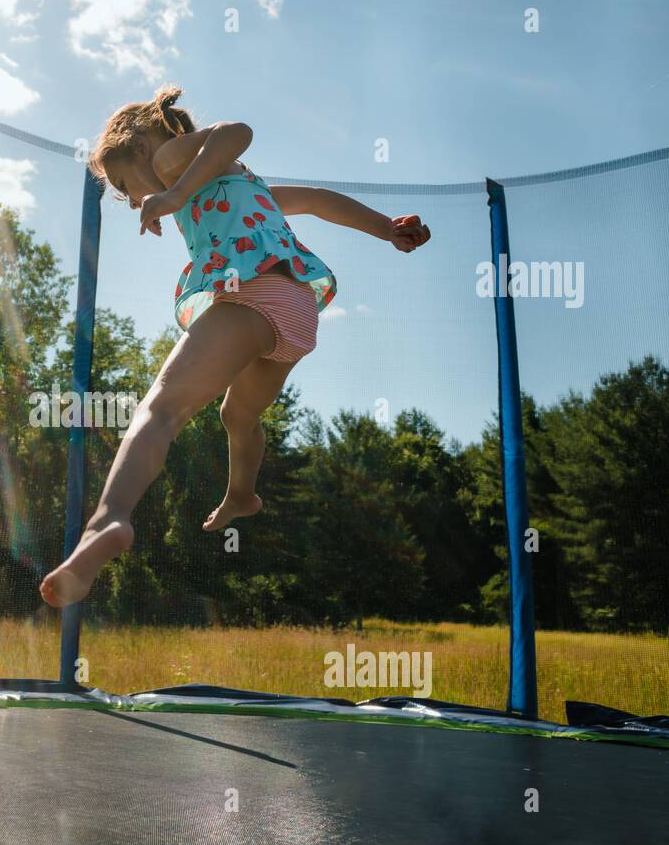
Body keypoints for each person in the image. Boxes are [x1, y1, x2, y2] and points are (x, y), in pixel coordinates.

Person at [40, 86, 430, 608]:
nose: (132, 199)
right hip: (294, 309)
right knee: (238, 418)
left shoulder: (169, 156)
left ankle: (107, 523)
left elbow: (237, 133)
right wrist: (387, 229)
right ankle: (241, 495)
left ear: (139, 146)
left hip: (254, 291)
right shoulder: (238, 182)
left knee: (161, 408)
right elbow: (314, 201)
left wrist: (174, 192)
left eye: (123, 184)